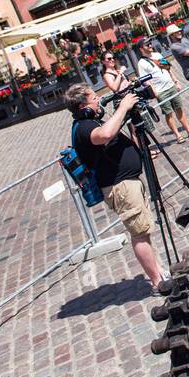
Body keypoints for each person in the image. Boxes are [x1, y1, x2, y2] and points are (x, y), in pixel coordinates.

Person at [64, 83, 166, 294]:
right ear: (83, 104)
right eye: (94, 97)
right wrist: (123, 107)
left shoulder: (91, 121)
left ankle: (159, 271)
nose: (99, 100)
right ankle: (157, 281)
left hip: (127, 183)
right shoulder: (84, 127)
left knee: (144, 230)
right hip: (119, 186)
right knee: (139, 233)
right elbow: (105, 135)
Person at [136, 41, 189, 142]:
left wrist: (176, 81)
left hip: (171, 86)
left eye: (150, 43)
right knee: (169, 113)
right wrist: (155, 92)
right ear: (141, 49)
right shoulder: (141, 63)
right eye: (147, 45)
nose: (150, 45)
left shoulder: (157, 54)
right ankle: (178, 135)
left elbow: (167, 68)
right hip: (161, 91)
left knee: (179, 109)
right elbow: (145, 81)